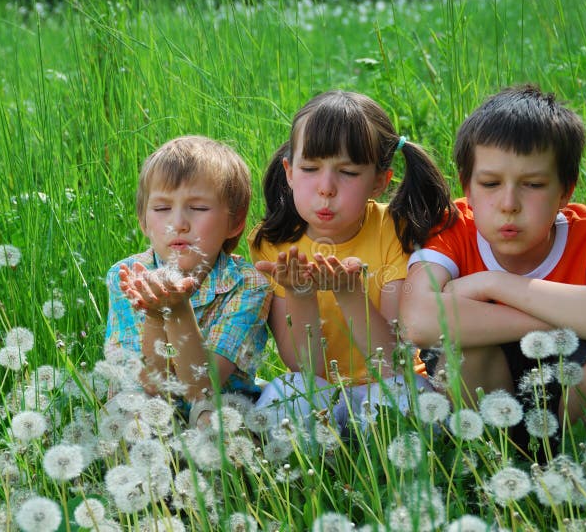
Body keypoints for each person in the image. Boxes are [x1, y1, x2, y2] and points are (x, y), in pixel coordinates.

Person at [401, 84, 586, 431]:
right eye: (490, 184)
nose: (509, 204)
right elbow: (418, 320)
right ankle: (493, 465)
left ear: (566, 190)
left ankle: (574, 466)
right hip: (485, 392)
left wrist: (493, 284)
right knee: (464, 354)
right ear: (466, 188)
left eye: (532, 184)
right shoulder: (452, 227)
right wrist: (573, 323)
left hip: (570, 388)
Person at [250, 90, 456, 433]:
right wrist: (300, 293)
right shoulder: (273, 242)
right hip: (321, 395)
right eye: (310, 168)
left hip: (389, 389)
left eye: (347, 172)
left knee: (415, 404)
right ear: (289, 172)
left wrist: (350, 294)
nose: (326, 188)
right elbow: (305, 370)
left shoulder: (395, 230)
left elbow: (394, 365)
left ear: (379, 181)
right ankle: (311, 476)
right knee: (282, 397)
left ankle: (386, 475)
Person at [104, 135, 272, 428]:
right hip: (147, 402)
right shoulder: (127, 276)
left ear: (235, 221)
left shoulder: (249, 285)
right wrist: (157, 316)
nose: (179, 222)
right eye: (161, 209)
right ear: (143, 220)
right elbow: (149, 382)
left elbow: (203, 387)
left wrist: (177, 310)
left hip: (219, 403)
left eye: (198, 208)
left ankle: (220, 471)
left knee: (213, 422)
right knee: (128, 417)